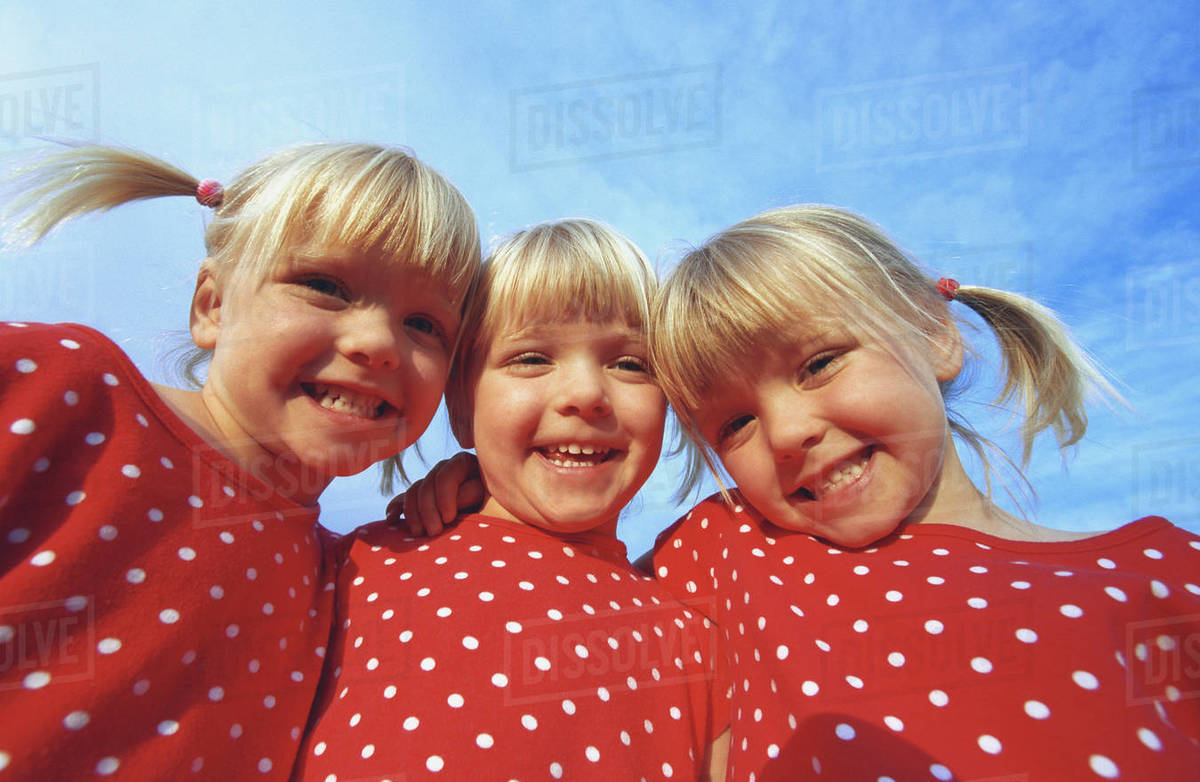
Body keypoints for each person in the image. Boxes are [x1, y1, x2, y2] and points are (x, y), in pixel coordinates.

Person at [648, 204, 1200, 780]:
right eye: (734, 425)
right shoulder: (729, 547)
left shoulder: (1172, 570)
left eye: (820, 363)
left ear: (936, 335)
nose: (787, 434)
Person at [0, 142, 480, 779]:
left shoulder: (345, 578)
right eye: (324, 286)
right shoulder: (62, 390)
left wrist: (491, 495)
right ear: (212, 305)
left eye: (425, 324)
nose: (378, 344)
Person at [294, 219, 730, 781]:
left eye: (629, 364)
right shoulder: (346, 569)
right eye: (531, 358)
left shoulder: (699, 646)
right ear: (460, 406)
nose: (586, 396)